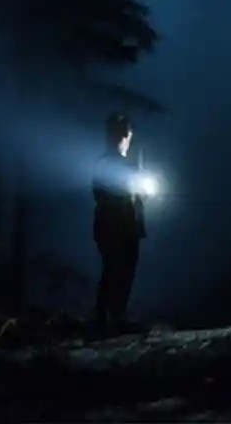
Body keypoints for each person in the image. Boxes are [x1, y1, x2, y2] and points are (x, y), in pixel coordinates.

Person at [91, 112, 147, 331]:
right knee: (114, 269)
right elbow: (100, 193)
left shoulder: (129, 164)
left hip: (129, 226)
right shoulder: (105, 162)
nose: (126, 137)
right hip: (112, 226)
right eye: (122, 132)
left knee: (126, 269)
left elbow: (138, 195)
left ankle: (116, 315)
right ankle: (105, 317)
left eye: (127, 132)